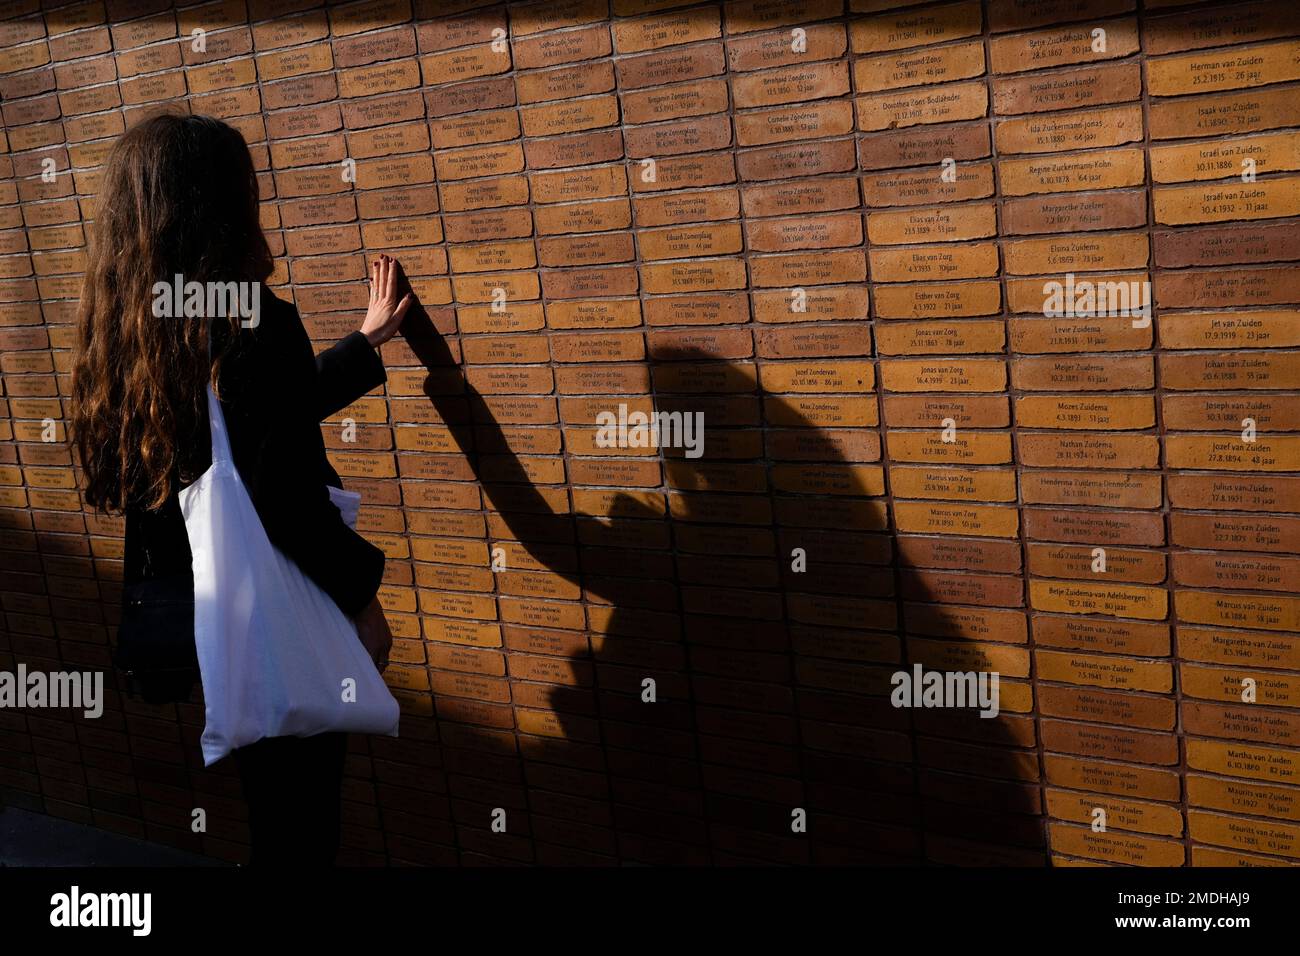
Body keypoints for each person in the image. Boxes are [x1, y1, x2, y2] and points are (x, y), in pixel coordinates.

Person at [69, 113, 412, 866]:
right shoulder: (254, 323)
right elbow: (280, 489)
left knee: (276, 819)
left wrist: (361, 347)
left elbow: (249, 428)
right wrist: (364, 601)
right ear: (223, 208)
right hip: (281, 607)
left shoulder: (134, 332)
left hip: (206, 616)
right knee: (301, 825)